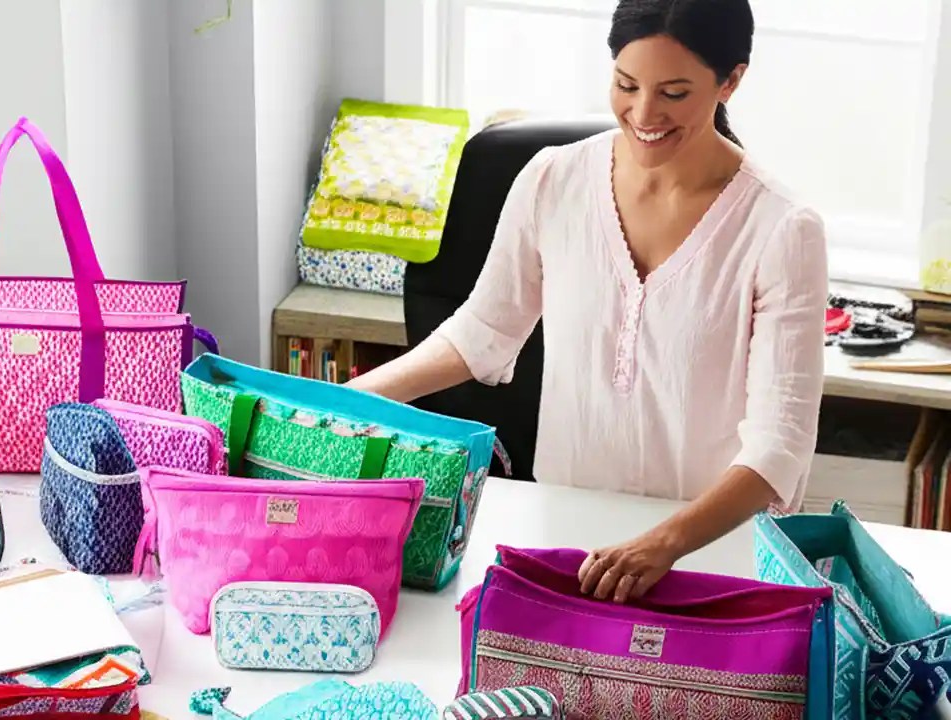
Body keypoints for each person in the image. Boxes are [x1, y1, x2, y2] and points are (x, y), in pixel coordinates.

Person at [347, 0, 827, 603]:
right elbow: (482, 332)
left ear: (730, 80)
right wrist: (340, 402)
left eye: (675, 93)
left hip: (706, 556)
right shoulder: (553, 179)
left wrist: (664, 544)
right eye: (626, 84)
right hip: (568, 540)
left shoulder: (782, 228)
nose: (644, 113)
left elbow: (778, 448)